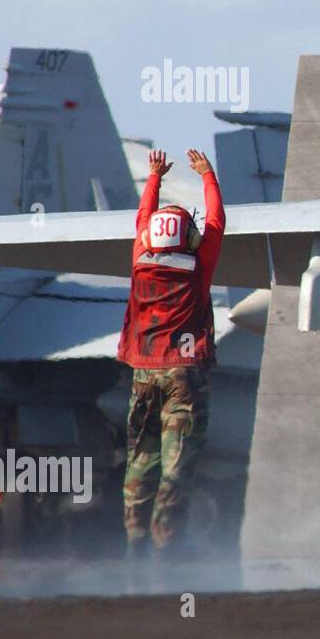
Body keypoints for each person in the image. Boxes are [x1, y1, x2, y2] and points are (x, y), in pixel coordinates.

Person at [117, 148, 225, 560]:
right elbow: (216, 221)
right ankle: (167, 553)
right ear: (189, 238)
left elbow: (143, 220)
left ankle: (133, 549)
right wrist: (208, 176)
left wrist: (154, 178)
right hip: (184, 379)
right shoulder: (199, 266)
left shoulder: (139, 262)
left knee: (139, 462)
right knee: (176, 467)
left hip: (142, 376)